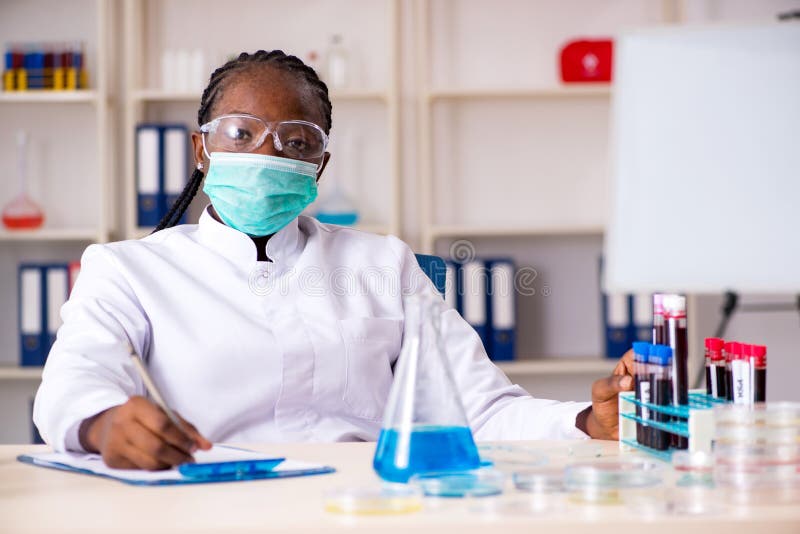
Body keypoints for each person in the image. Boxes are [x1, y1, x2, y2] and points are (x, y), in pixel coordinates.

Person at [33, 50, 634, 471]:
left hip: (362, 506)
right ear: (201, 149)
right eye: (240, 134)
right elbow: (73, 383)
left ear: (318, 166)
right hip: (206, 503)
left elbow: (478, 408)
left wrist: (587, 423)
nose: (267, 154)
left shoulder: (384, 263)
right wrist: (104, 423)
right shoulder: (128, 270)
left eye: (295, 141)